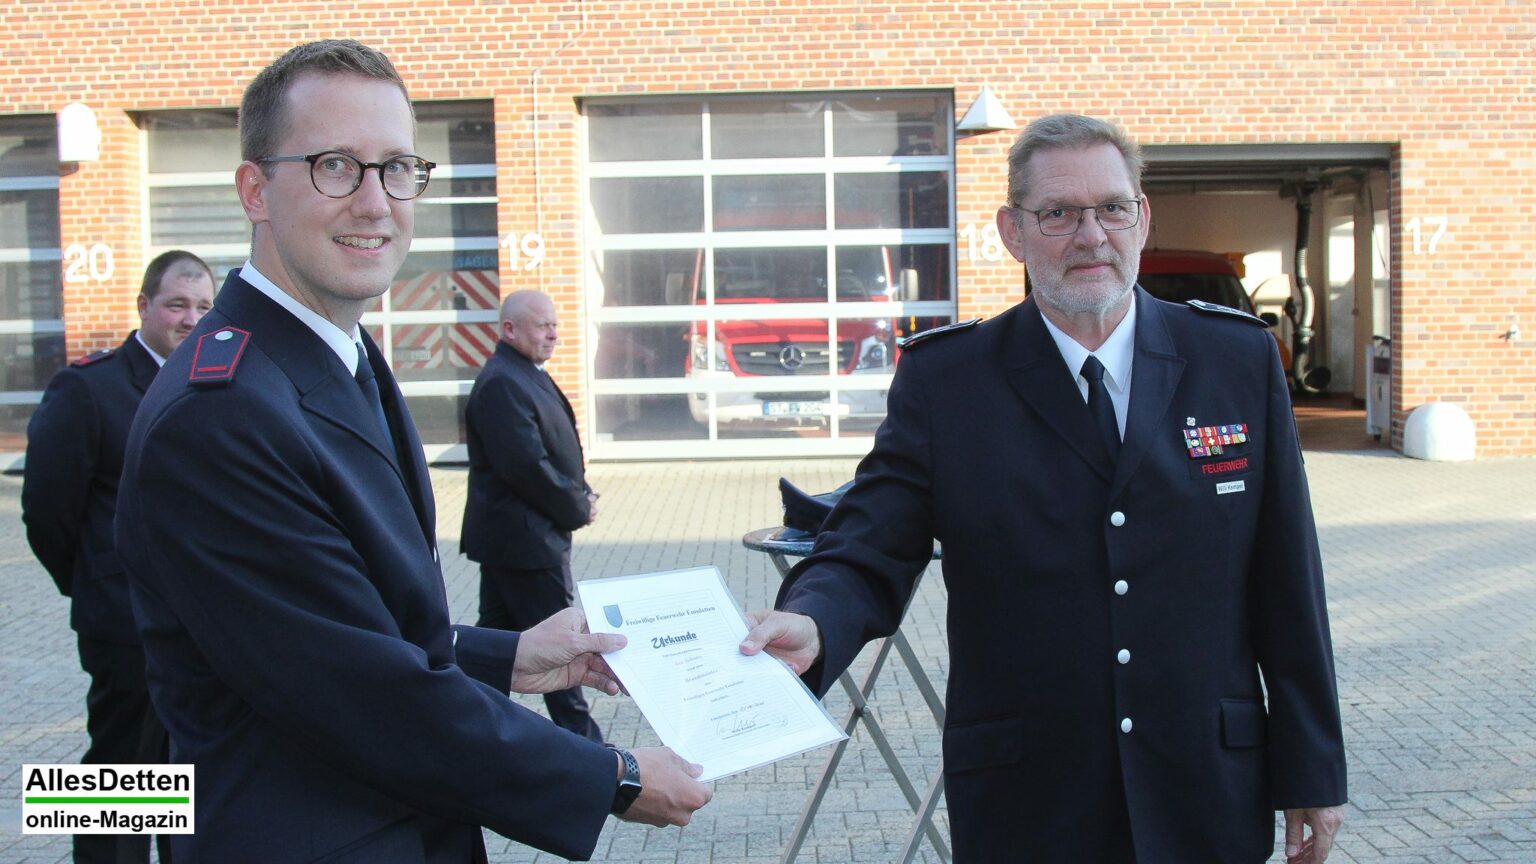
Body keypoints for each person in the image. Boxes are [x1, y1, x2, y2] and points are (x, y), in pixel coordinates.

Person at [113, 40, 710, 862]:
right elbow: (358, 692)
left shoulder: (337, 353)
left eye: (397, 168)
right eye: (335, 166)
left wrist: (512, 655)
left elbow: (350, 625)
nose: (375, 202)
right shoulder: (219, 416)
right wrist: (609, 775)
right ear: (255, 189)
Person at [742, 113, 1347, 863]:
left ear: (1142, 218)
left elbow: (1289, 580)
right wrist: (815, 621)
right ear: (1013, 232)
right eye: (1058, 213)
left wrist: (1312, 769)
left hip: (1205, 790)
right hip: (1028, 800)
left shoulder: (1235, 359)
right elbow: (869, 544)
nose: (1091, 236)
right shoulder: (949, 382)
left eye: (1112, 208)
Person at [22, 249, 214, 864]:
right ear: (144, 306)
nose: (191, 319)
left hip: (201, 621)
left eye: (203, 306)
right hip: (123, 621)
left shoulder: (213, 382)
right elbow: (47, 511)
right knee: (121, 768)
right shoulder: (88, 387)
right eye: (177, 305)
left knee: (186, 769)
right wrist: (92, 582)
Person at [462, 290, 604, 743]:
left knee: (493, 646)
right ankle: (593, 754)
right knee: (563, 652)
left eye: (555, 325)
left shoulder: (523, 373)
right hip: (526, 546)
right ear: (509, 329)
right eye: (543, 325)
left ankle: (463, 731)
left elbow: (549, 452)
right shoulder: (503, 382)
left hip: (519, 542)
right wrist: (577, 505)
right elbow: (525, 467)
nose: (553, 334)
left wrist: (580, 490)